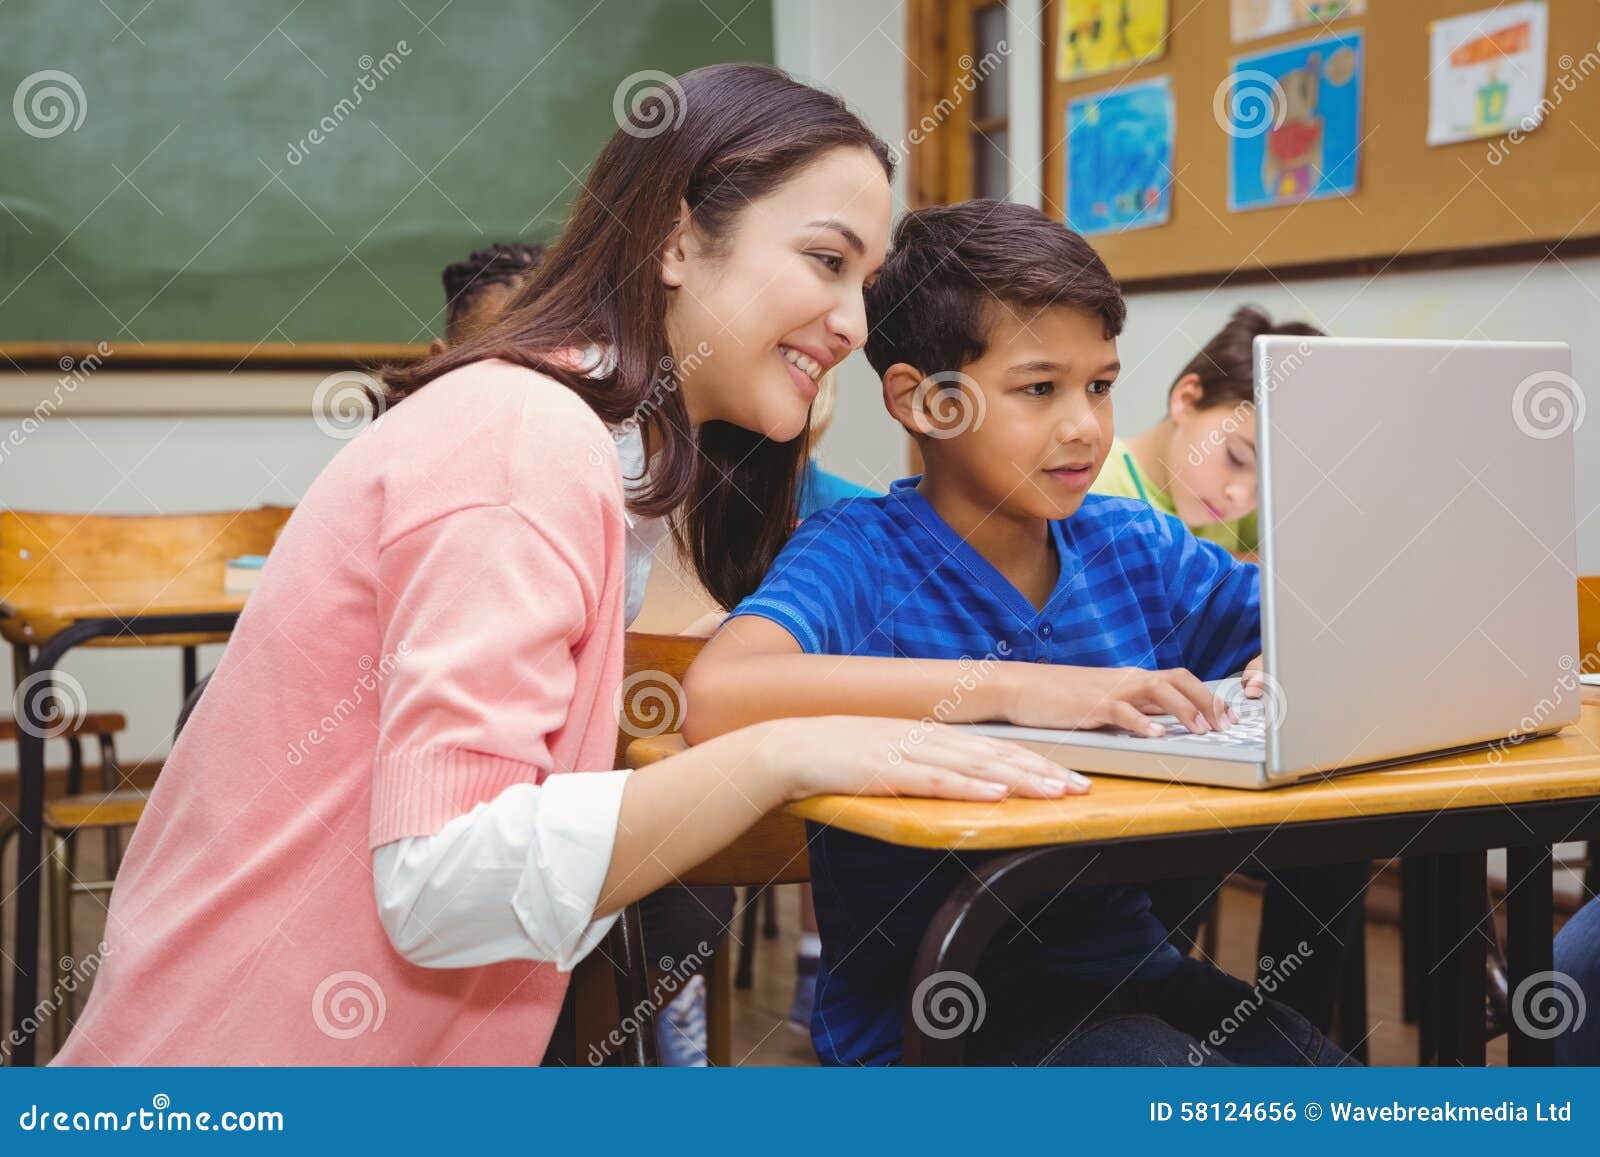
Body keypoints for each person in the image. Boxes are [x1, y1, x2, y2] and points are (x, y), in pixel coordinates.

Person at [53, 65, 1070, 1066]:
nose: (852, 322)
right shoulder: (522, 436)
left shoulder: (601, 451)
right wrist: (784, 751)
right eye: (824, 260)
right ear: (676, 240)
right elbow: (444, 883)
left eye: (865, 282)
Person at [683, 199, 1352, 1067]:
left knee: (1328, 1081)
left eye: (1101, 386)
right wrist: (1012, 688)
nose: (1085, 425)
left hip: (1131, 976)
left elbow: (1316, 615)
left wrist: (1295, 647)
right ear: (923, 402)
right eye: (1040, 389)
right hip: (938, 1014)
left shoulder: (1134, 545)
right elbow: (719, 694)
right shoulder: (859, 556)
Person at [1089, 306, 1371, 1035]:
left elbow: (1306, 599)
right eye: (1238, 457)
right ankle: (1150, 1013)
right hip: (1132, 784)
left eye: (1267, 479)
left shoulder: (1231, 512)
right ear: (1187, 399)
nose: (1241, 497)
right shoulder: (1096, 489)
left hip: (1221, 749)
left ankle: (1296, 1031)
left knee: (1339, 821)